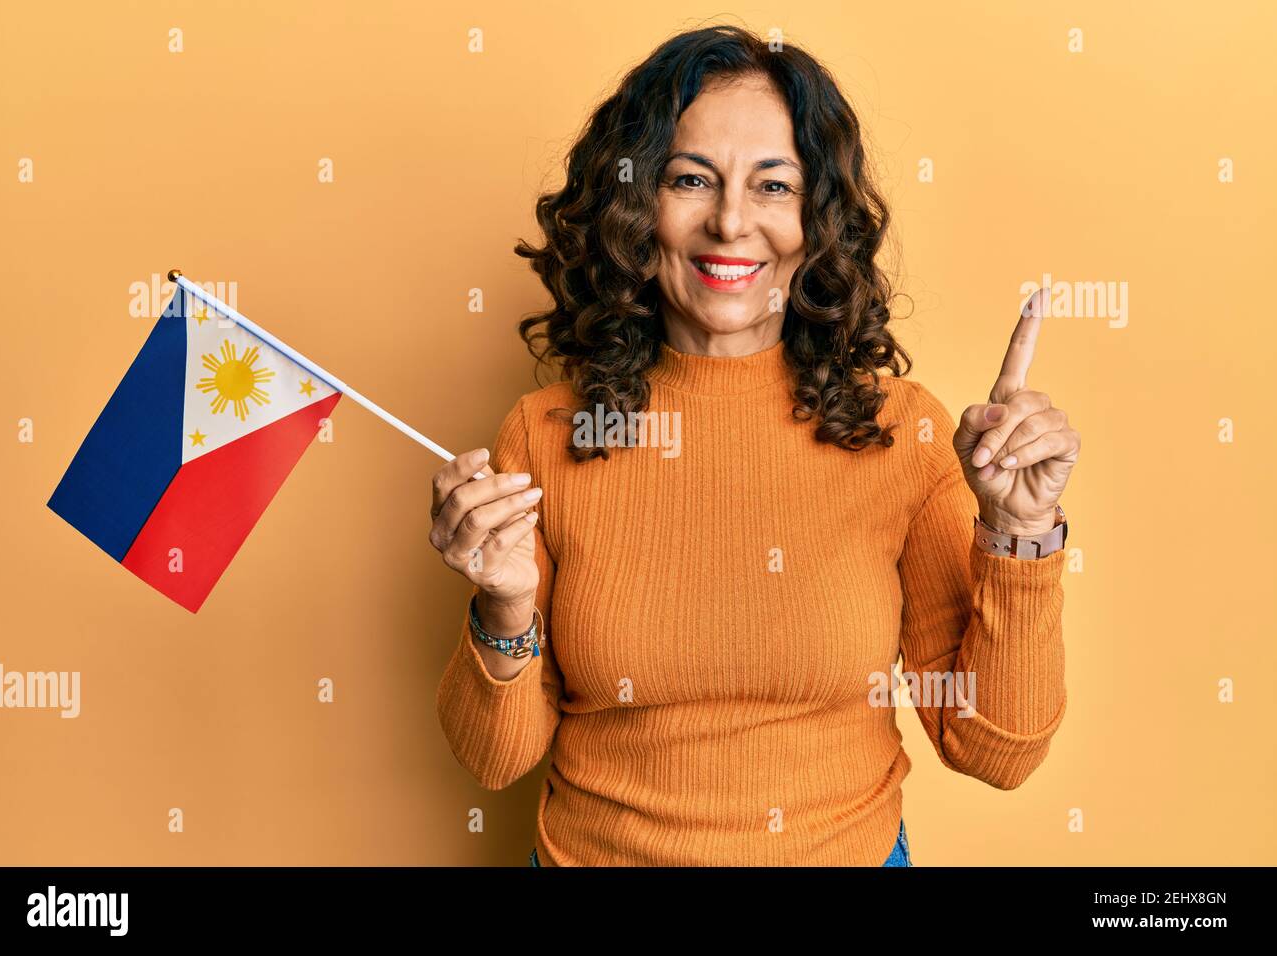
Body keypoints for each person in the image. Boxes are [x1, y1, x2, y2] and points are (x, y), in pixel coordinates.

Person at [431, 25, 1079, 867]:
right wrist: (503, 611)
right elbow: (494, 759)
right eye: (690, 179)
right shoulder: (545, 435)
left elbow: (998, 751)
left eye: (774, 185)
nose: (730, 221)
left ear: (817, 220)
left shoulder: (904, 433)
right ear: (634, 206)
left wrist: (1019, 536)